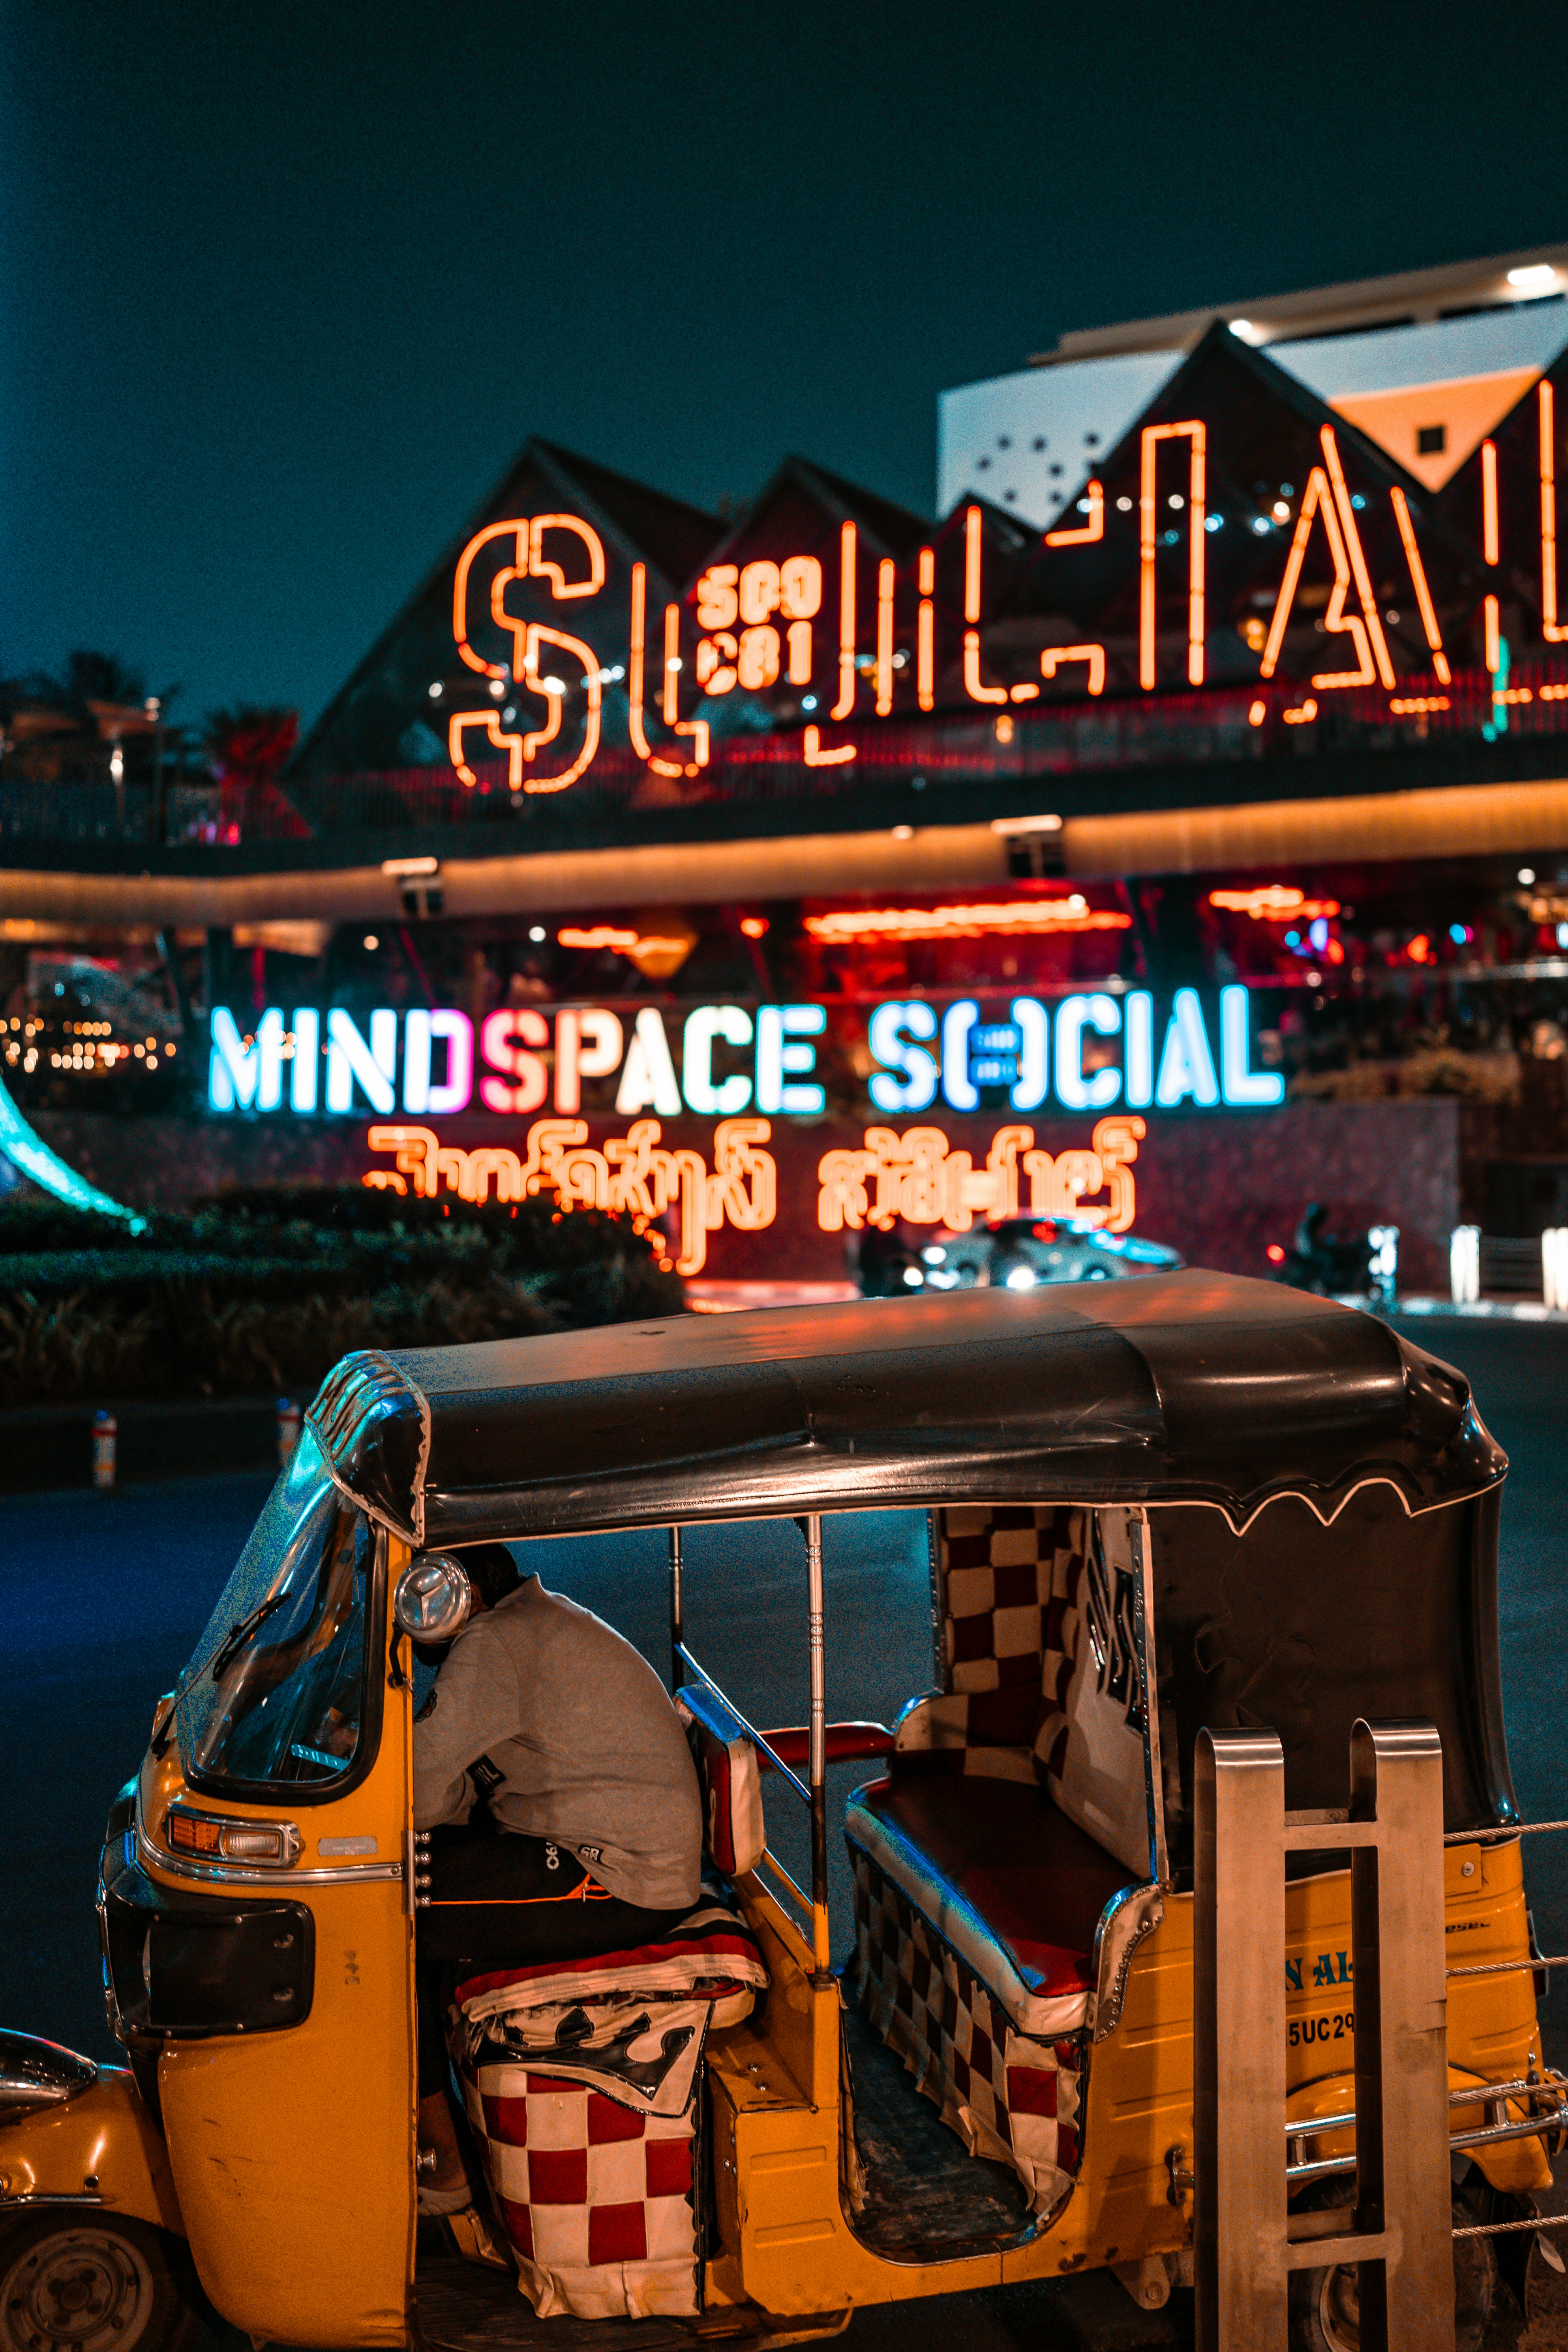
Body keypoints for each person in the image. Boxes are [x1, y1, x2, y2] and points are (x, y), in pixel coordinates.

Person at [411, 1542, 704, 2211]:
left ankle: (443, 2154)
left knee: (399, 1906)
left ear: (456, 1589)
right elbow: (450, 1788)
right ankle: (448, 2121)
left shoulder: (497, 1642)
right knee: (424, 1875)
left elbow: (421, 1788)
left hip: (621, 1872)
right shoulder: (523, 1624)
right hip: (597, 1846)